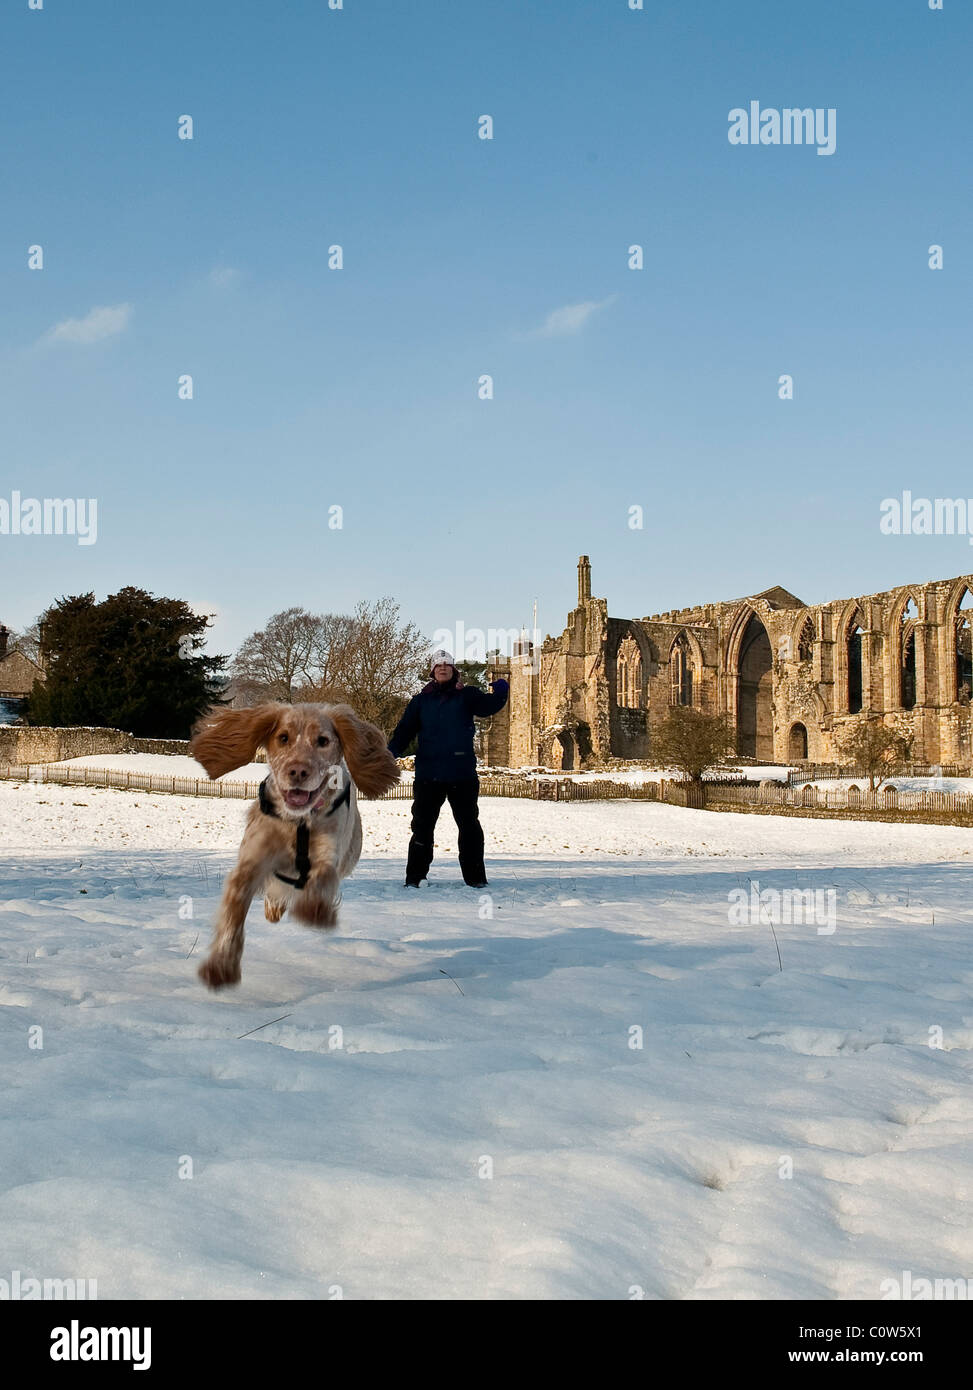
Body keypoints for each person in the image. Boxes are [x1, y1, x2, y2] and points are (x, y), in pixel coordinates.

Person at [387, 649, 509, 888]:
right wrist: (389, 753)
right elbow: (404, 731)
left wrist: (502, 690)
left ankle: (475, 879)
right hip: (428, 775)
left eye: (447, 665)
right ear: (432, 672)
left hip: (461, 774)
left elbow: (488, 706)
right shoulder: (420, 701)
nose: (442, 668)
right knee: (422, 827)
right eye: (438, 665)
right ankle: (415, 879)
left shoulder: (467, 695)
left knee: (469, 825)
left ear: (453, 670)